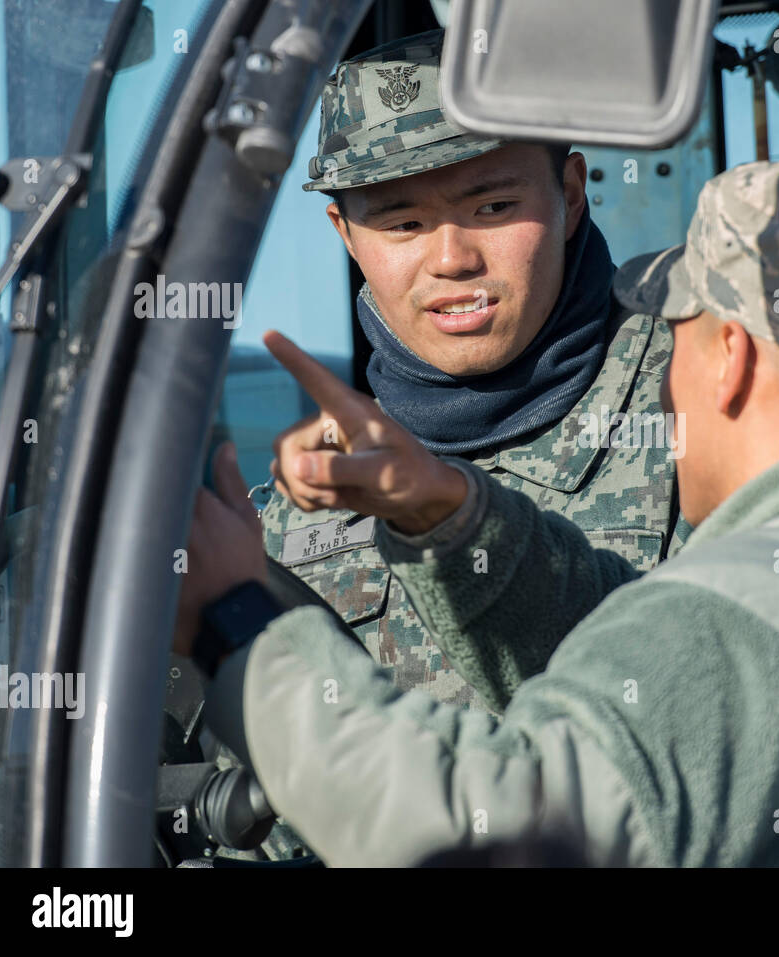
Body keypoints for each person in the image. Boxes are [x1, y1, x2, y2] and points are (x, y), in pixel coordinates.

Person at [182, 161, 779, 866]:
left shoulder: (740, 621)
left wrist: (239, 623)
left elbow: (469, 829)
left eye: (674, 334)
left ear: (731, 358)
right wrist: (455, 514)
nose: (661, 374)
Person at [262, 28, 686, 712]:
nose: (452, 259)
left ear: (571, 194)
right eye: (403, 225)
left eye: (493, 208)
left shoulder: (703, 402)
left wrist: (448, 519)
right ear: (346, 234)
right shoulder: (307, 497)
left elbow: (720, 703)